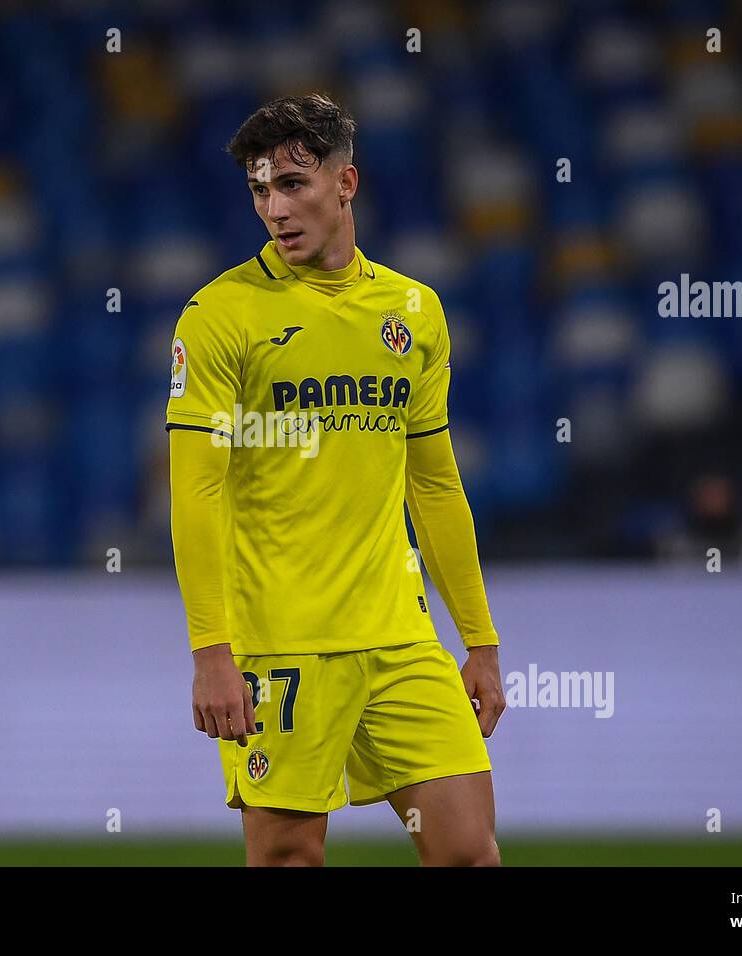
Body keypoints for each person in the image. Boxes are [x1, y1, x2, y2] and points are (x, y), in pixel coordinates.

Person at [166, 93, 505, 866]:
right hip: (280, 644)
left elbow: (436, 485)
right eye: (260, 190)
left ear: (346, 183)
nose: (274, 209)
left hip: (399, 635)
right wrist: (211, 653)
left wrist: (480, 641)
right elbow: (195, 490)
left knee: (468, 854)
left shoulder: (414, 312)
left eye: (293, 184)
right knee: (291, 858)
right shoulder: (220, 317)